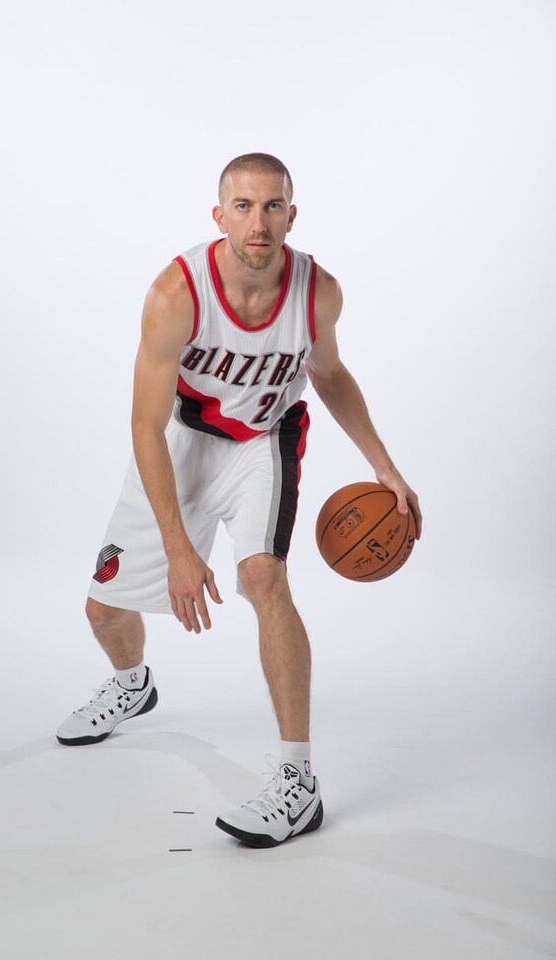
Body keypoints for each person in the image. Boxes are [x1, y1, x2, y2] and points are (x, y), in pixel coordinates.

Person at [56, 153, 422, 848]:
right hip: (183, 440)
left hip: (264, 439)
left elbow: (329, 372)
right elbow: (143, 425)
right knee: (104, 611)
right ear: (219, 217)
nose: (260, 222)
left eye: (274, 206)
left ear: (291, 213)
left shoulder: (317, 291)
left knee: (262, 577)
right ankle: (133, 684)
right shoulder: (176, 292)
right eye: (245, 207)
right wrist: (178, 548)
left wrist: (387, 470)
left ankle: (297, 782)